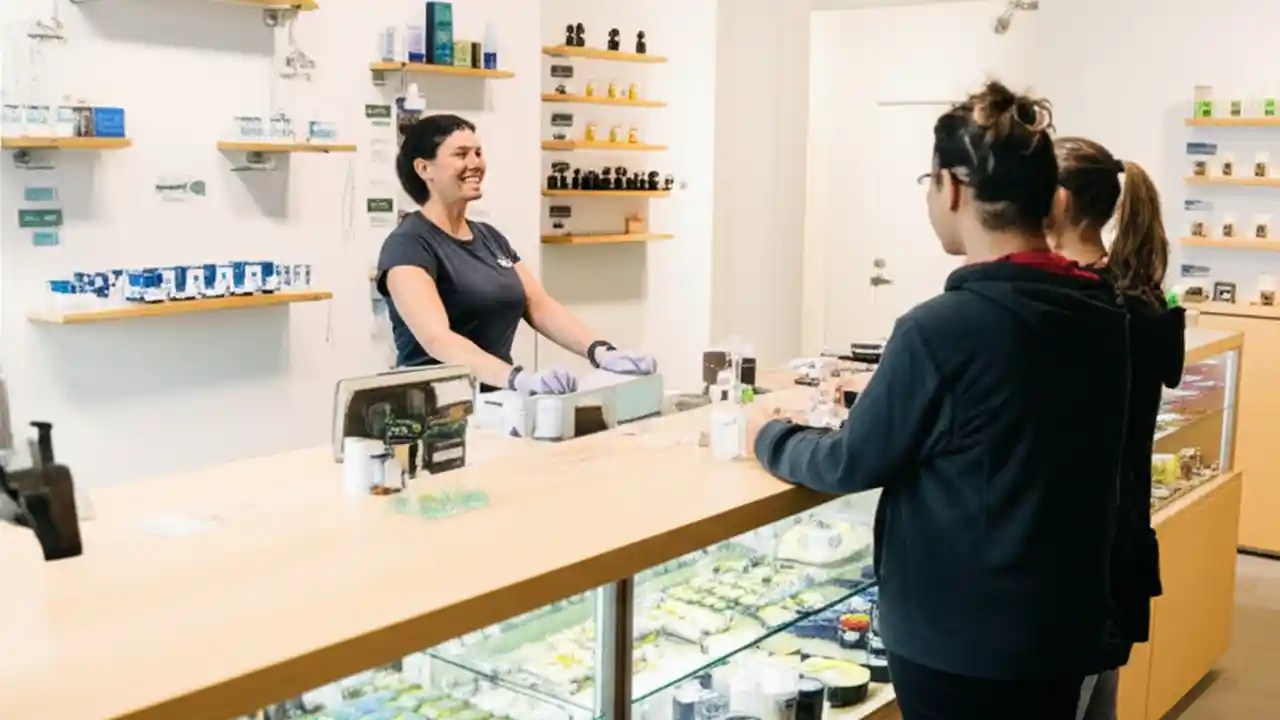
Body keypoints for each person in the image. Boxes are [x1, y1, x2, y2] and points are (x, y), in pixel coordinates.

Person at [747, 82, 1133, 720]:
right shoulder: (1102, 313)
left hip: (964, 639)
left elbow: (848, 461)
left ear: (952, 188)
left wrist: (769, 434)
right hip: (1062, 624)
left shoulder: (941, 329)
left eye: (929, 182)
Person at [1048, 137, 1187, 720]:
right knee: (1097, 699)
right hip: (1116, 539)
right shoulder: (1133, 300)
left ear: (1057, 202)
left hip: (1078, 554)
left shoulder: (1083, 310)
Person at [377, 114, 656, 394]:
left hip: (496, 401)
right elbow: (437, 339)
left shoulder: (489, 237)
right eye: (461, 154)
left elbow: (539, 305)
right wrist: (518, 379)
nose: (475, 163)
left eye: (478, 153)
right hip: (435, 406)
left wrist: (600, 352)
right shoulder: (408, 245)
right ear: (424, 169)